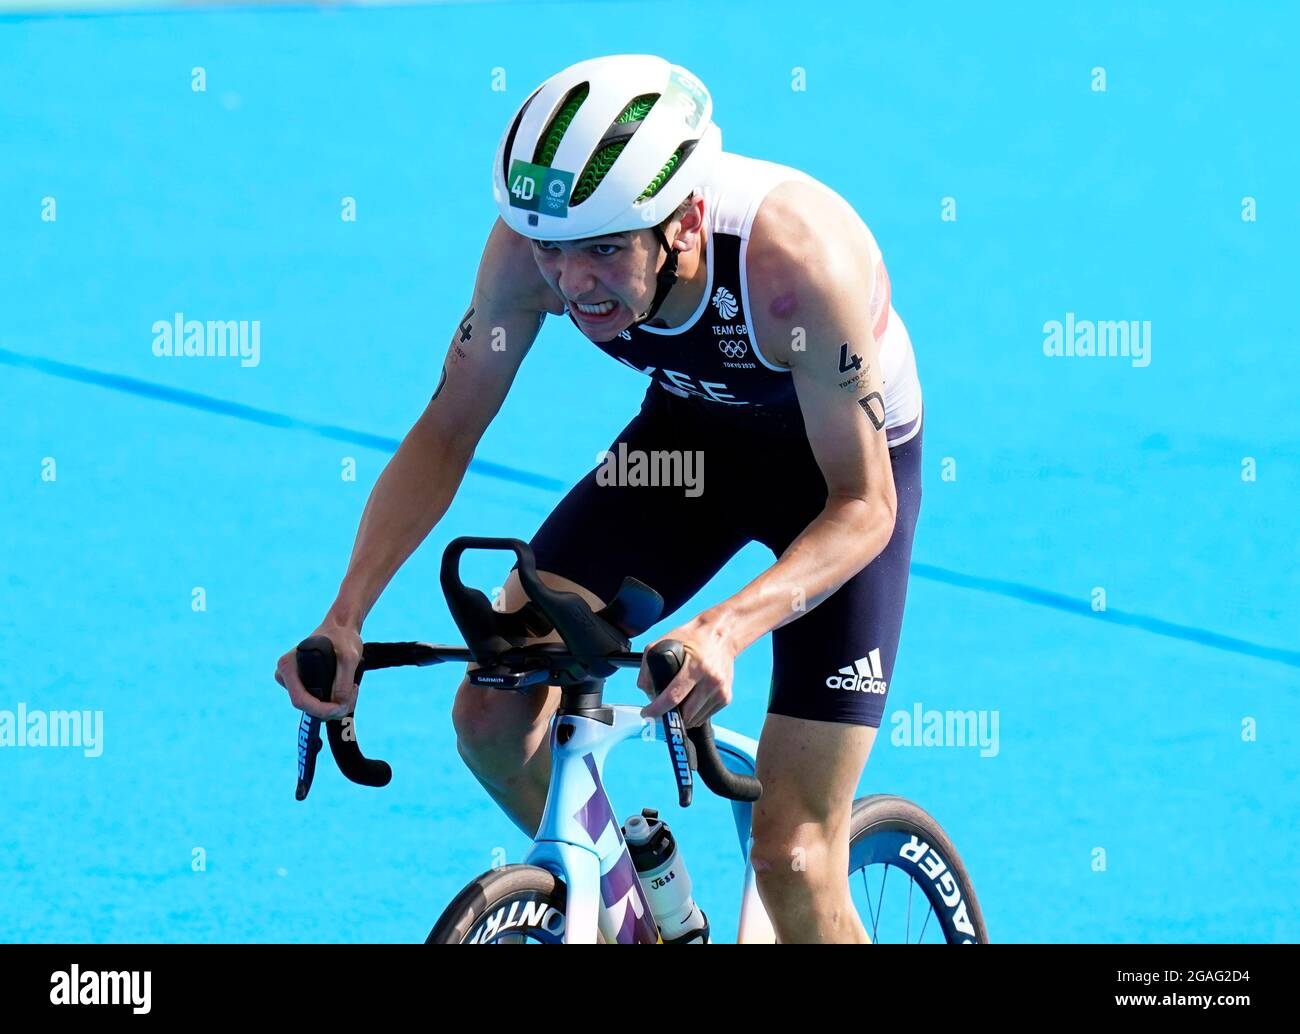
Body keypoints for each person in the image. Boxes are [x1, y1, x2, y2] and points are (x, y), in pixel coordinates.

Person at [276, 53, 923, 944]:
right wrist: (344, 614)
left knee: (794, 854)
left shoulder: (796, 265)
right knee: (494, 716)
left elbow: (865, 508)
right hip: (687, 448)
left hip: (840, 479)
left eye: (606, 250)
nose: (573, 283)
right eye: (554, 249)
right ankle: (631, 918)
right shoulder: (529, 252)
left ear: (687, 222)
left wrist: (726, 630)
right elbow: (447, 427)